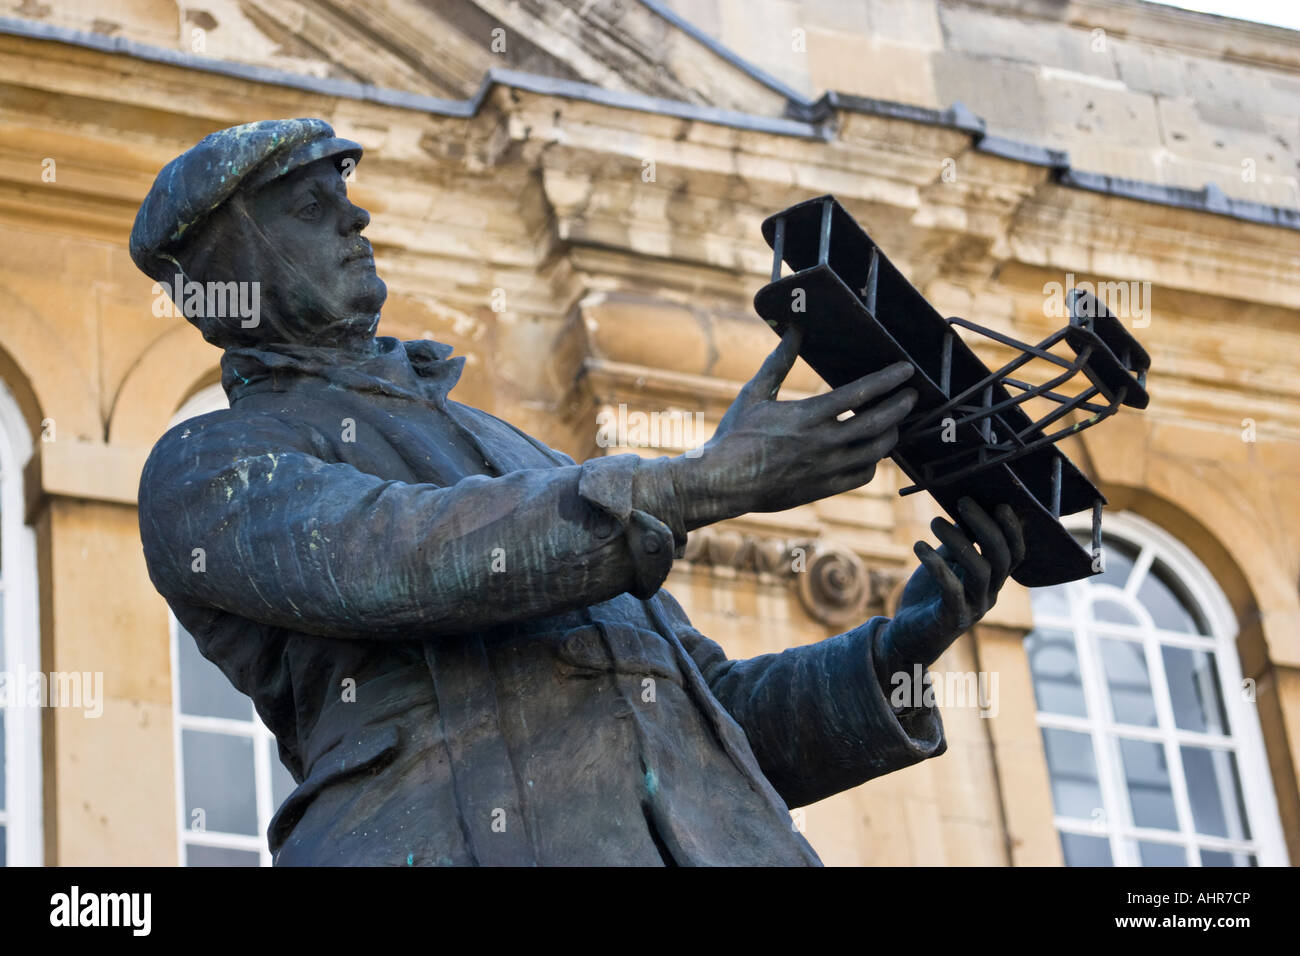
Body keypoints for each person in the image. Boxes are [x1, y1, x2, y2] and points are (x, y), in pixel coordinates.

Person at [132, 118, 1025, 866]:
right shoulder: (210, 463)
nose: (357, 218)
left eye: (347, 195)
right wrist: (703, 482)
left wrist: (898, 654)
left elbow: (710, 709)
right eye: (313, 207)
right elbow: (398, 554)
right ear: (232, 269)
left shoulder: (504, 445)